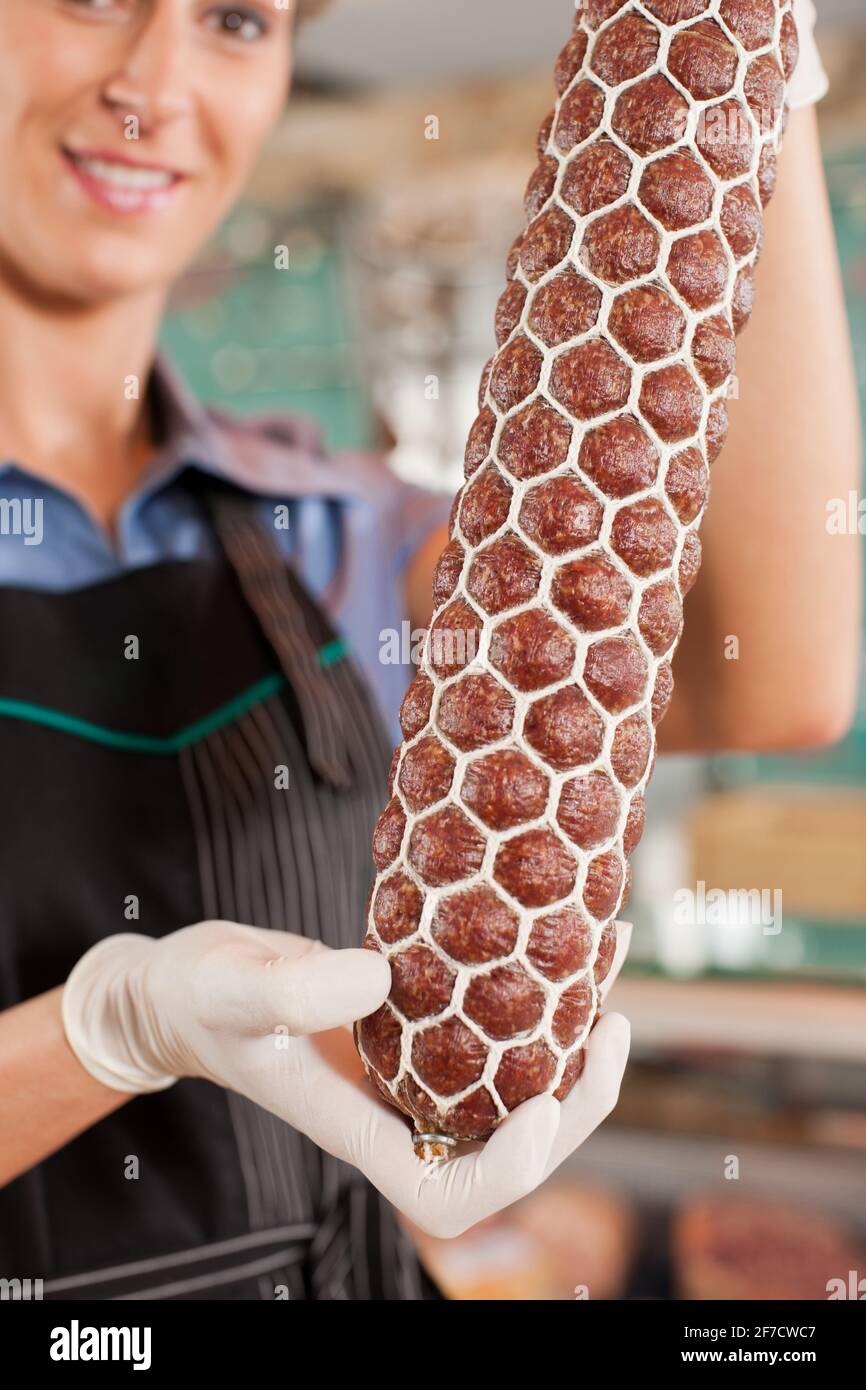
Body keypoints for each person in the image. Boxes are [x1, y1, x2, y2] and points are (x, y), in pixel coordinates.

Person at [0, 0, 858, 1301]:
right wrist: (104, 1030)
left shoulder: (328, 526)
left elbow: (767, 679)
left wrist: (740, 50)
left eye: (235, 19)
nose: (154, 82)